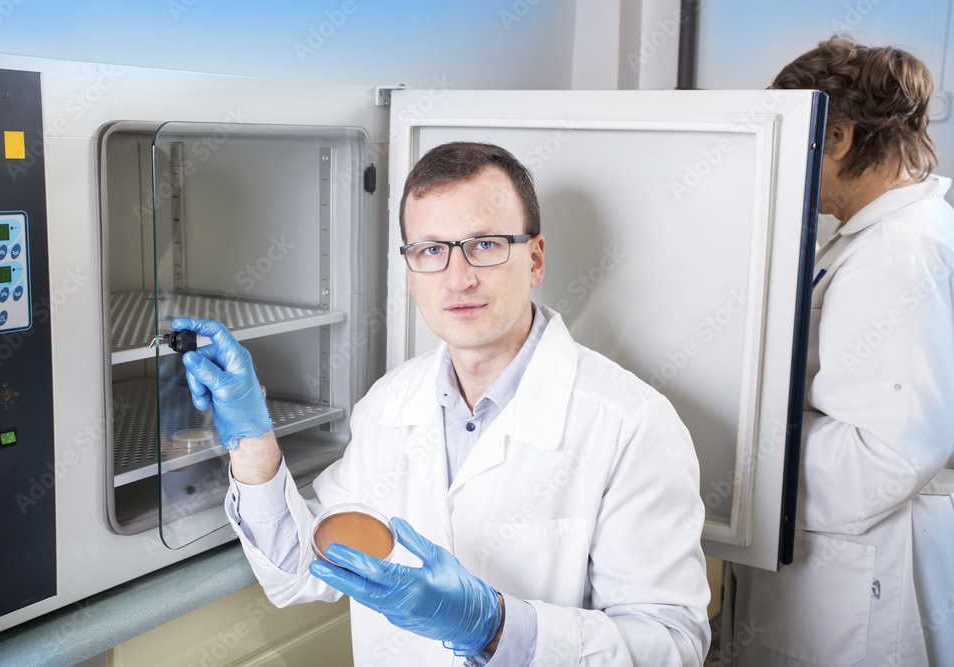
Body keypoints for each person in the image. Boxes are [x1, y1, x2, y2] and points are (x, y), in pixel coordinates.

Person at [174, 142, 710, 665]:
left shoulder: (634, 424)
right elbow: (304, 568)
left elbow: (673, 645)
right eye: (431, 250)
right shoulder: (388, 406)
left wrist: (494, 627)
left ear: (536, 259)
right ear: (411, 272)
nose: (459, 278)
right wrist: (251, 440)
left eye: (485, 244)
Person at [724, 37, 954, 666]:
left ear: (839, 137)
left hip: (862, 581)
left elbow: (887, 453)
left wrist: (738, 452)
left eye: (790, 138)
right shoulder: (871, 238)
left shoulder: (900, 253)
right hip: (831, 566)